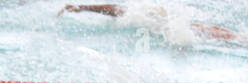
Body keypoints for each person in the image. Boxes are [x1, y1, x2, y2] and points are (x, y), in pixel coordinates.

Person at [59, 4, 235, 41]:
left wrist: (82, 7)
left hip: (195, 32)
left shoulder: (140, 16)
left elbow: (114, 10)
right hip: (197, 30)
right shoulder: (159, 17)